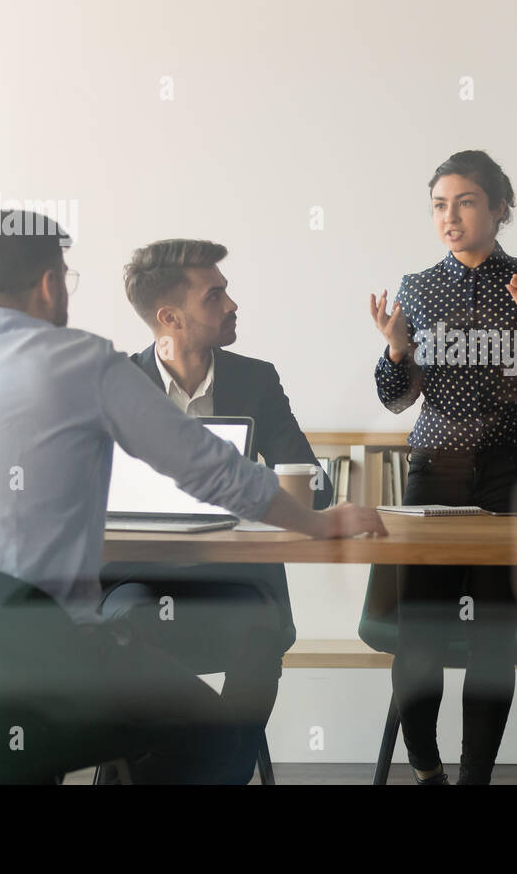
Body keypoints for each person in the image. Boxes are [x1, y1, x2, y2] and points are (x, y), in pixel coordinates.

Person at [0, 210, 386, 784]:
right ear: (49, 283)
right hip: (64, 643)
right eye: (65, 276)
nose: (231, 305)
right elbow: (209, 468)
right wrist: (317, 523)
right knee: (213, 734)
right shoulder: (86, 365)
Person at [368, 150, 517, 784]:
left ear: (499, 208)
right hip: (434, 469)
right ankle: (426, 768)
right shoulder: (417, 287)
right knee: (420, 630)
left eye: (464, 203)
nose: (450, 217)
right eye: (440, 205)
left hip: (510, 474)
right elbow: (396, 399)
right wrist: (395, 351)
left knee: (494, 636)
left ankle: (475, 777)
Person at [97, 239, 331, 724]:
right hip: (137, 580)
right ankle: (153, 759)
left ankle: (226, 757)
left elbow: (316, 486)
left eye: (226, 290)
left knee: (260, 628)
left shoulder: (256, 380)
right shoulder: (113, 384)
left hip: (236, 580)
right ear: (170, 318)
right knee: (122, 627)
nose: (232, 305)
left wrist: (247, 483)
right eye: (214, 296)